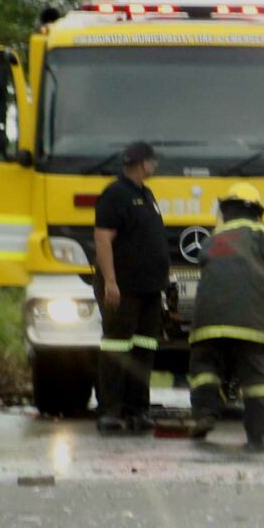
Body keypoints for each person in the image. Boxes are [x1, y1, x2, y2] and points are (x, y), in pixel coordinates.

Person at [186, 184, 264, 448]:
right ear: (255, 211)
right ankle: (257, 430)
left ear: (226, 211)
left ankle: (204, 414)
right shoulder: (262, 234)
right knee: (254, 376)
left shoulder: (211, 239)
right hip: (249, 320)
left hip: (206, 320)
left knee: (205, 368)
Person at [93, 140, 168, 434]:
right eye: (153, 161)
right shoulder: (115, 195)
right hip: (123, 288)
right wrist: (110, 281)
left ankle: (138, 410)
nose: (155, 166)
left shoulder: (146, 195)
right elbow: (103, 239)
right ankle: (110, 410)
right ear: (143, 164)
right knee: (116, 347)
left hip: (149, 288)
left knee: (144, 348)